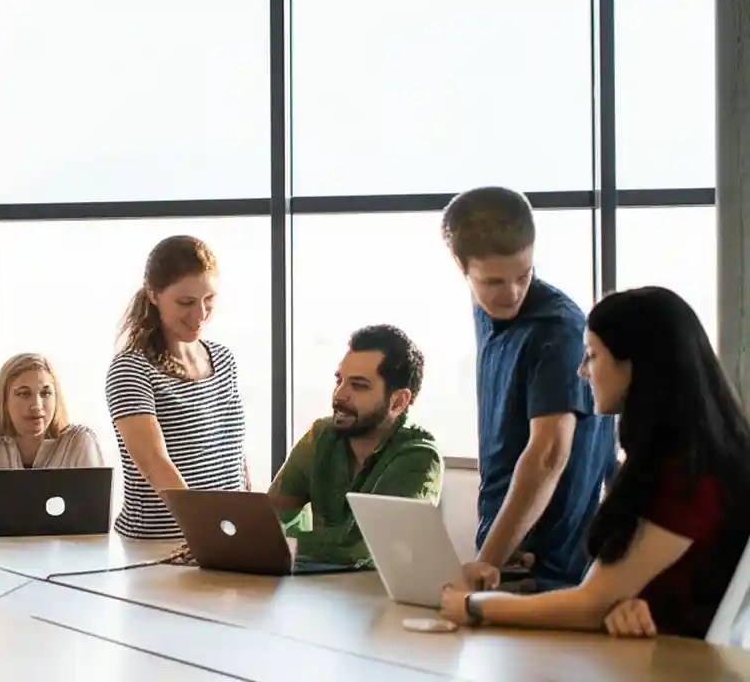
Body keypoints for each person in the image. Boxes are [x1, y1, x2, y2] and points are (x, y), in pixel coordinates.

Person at [440, 286, 750, 639]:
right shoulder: (678, 456)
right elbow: (611, 597)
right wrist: (622, 604)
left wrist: (472, 605)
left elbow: (590, 605)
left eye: (591, 356)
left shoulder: (687, 473)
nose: (582, 372)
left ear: (634, 364)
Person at [442, 186, 615, 591]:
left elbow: (549, 454)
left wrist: (487, 561)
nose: (512, 293)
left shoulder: (559, 330)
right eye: (493, 281)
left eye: (524, 275)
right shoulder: (490, 311)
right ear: (461, 266)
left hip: (552, 569)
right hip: (510, 558)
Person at [105, 235, 248, 539]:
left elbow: (234, 456)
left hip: (222, 537)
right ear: (154, 295)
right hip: (158, 546)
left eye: (208, 300)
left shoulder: (224, 360)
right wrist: (203, 531)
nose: (199, 315)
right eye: (185, 302)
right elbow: (154, 463)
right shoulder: (132, 368)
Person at [269, 325, 443, 566]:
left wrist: (286, 542)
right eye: (339, 380)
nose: (339, 395)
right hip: (315, 589)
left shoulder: (418, 456)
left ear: (398, 402)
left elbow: (366, 548)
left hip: (377, 596)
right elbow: (270, 517)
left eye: (359, 386)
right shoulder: (321, 435)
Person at [0, 352, 104, 469]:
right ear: (3, 401)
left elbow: (96, 503)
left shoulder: (78, 443)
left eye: (45, 393)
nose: (37, 405)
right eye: (24, 394)